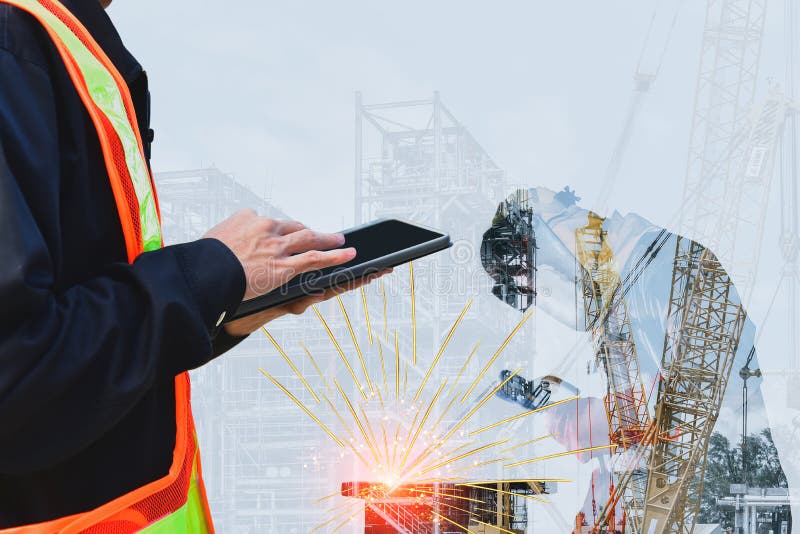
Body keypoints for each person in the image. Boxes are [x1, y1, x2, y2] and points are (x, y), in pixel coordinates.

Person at [0, 0, 381, 530]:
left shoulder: (52, 45)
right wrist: (210, 272)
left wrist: (224, 310)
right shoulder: (15, 44)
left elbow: (71, 356)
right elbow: (16, 384)